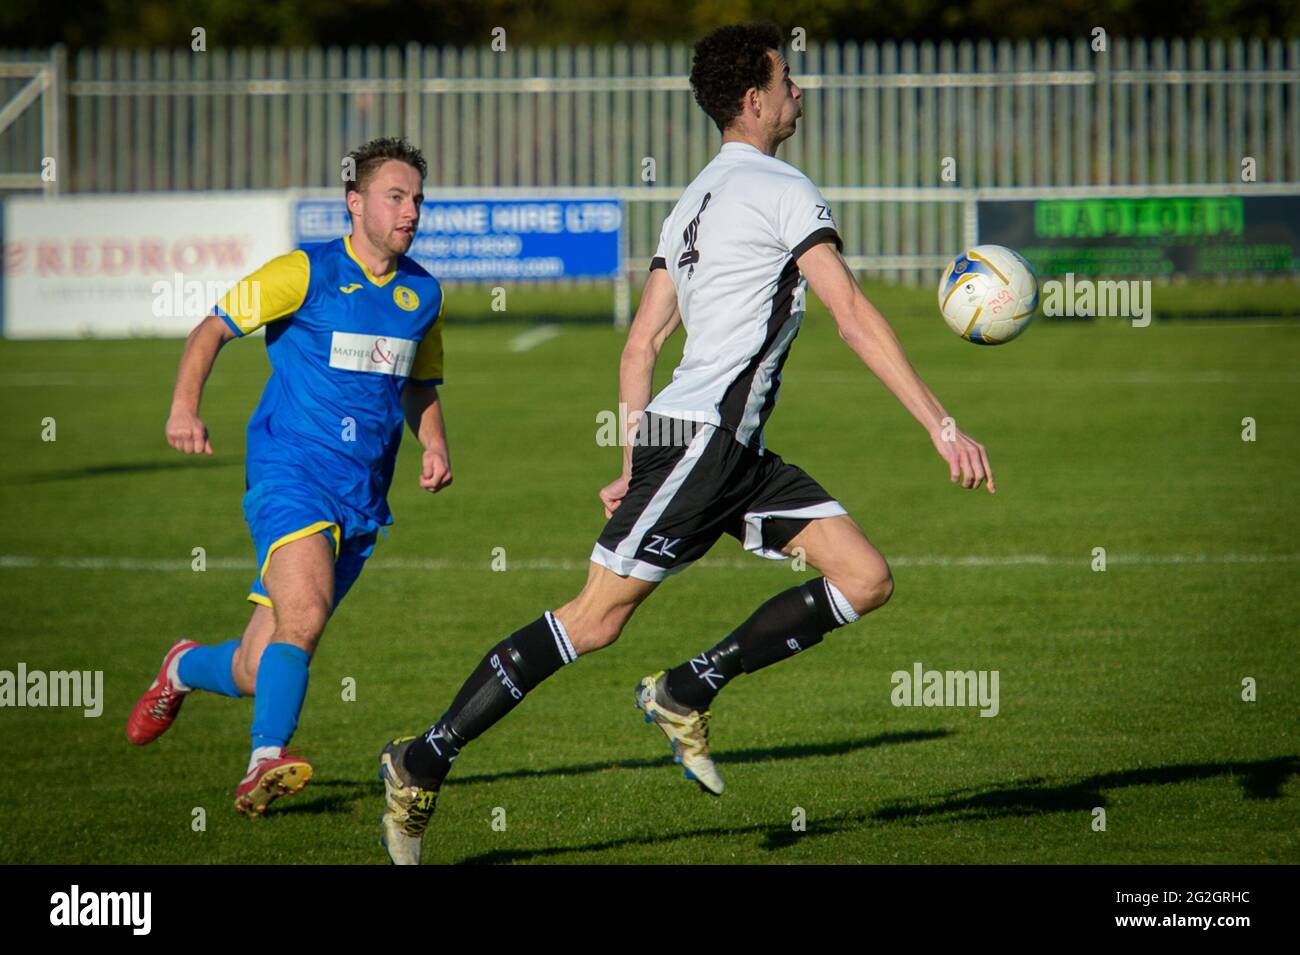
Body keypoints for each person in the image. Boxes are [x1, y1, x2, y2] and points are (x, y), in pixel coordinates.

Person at [377, 23, 994, 864]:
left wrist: (632, 460)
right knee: (593, 620)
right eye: (787, 79)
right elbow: (851, 315)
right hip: (702, 441)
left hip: (726, 450)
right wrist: (941, 423)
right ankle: (421, 761)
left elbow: (640, 346)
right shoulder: (783, 187)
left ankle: (685, 687)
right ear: (754, 99)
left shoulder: (693, 198)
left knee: (864, 576)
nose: (798, 92)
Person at [126, 137, 452, 816]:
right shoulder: (304, 272)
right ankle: (264, 761)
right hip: (290, 473)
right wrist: (184, 408)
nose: (411, 209)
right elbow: (209, 331)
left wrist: (434, 446)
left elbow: (419, 383)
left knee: (257, 664)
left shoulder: (422, 292)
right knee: (301, 617)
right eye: (395, 196)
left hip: (362, 499)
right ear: (354, 202)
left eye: (418, 197)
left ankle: (181, 666)